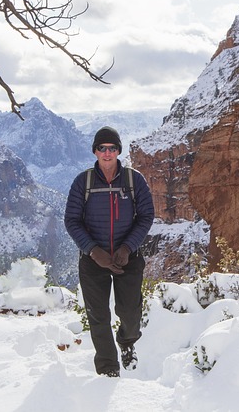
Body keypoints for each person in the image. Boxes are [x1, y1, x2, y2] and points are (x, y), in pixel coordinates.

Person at [64, 126, 154, 377]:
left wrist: (127, 247)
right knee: (98, 316)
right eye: (102, 148)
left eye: (112, 148)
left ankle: (127, 342)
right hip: (93, 260)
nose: (107, 153)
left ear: (118, 151)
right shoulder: (84, 181)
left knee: (130, 313)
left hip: (128, 257)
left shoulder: (134, 180)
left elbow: (147, 216)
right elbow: (71, 220)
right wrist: (93, 251)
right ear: (95, 151)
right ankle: (108, 369)